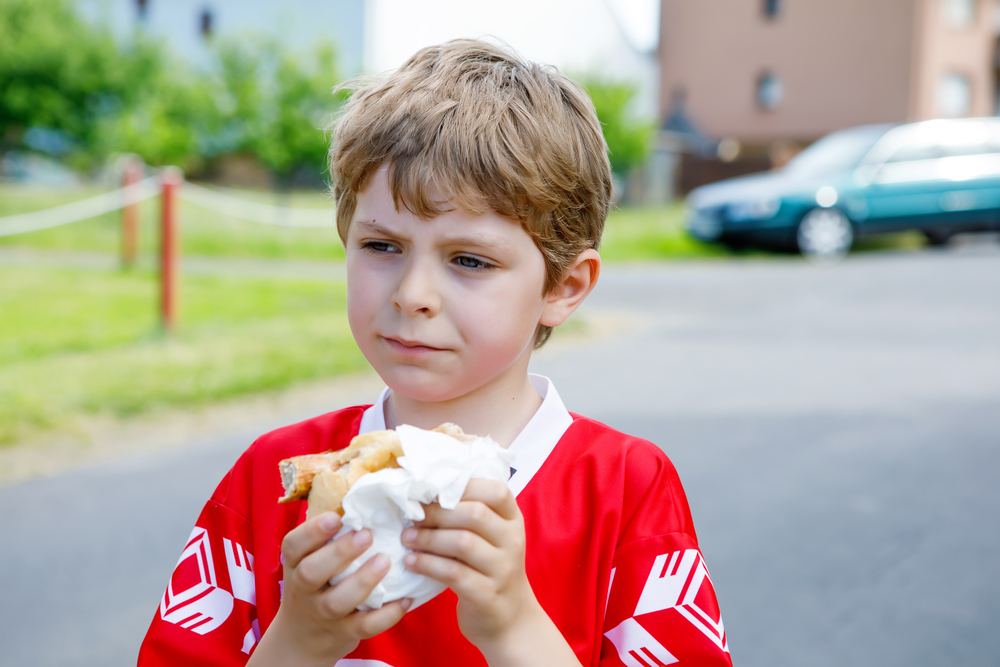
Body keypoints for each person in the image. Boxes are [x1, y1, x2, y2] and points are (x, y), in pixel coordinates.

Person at [137, 39, 731, 667]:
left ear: (562, 287)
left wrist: (512, 624)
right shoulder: (272, 479)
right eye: (382, 246)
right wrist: (300, 641)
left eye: (469, 260)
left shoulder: (623, 492)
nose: (413, 294)